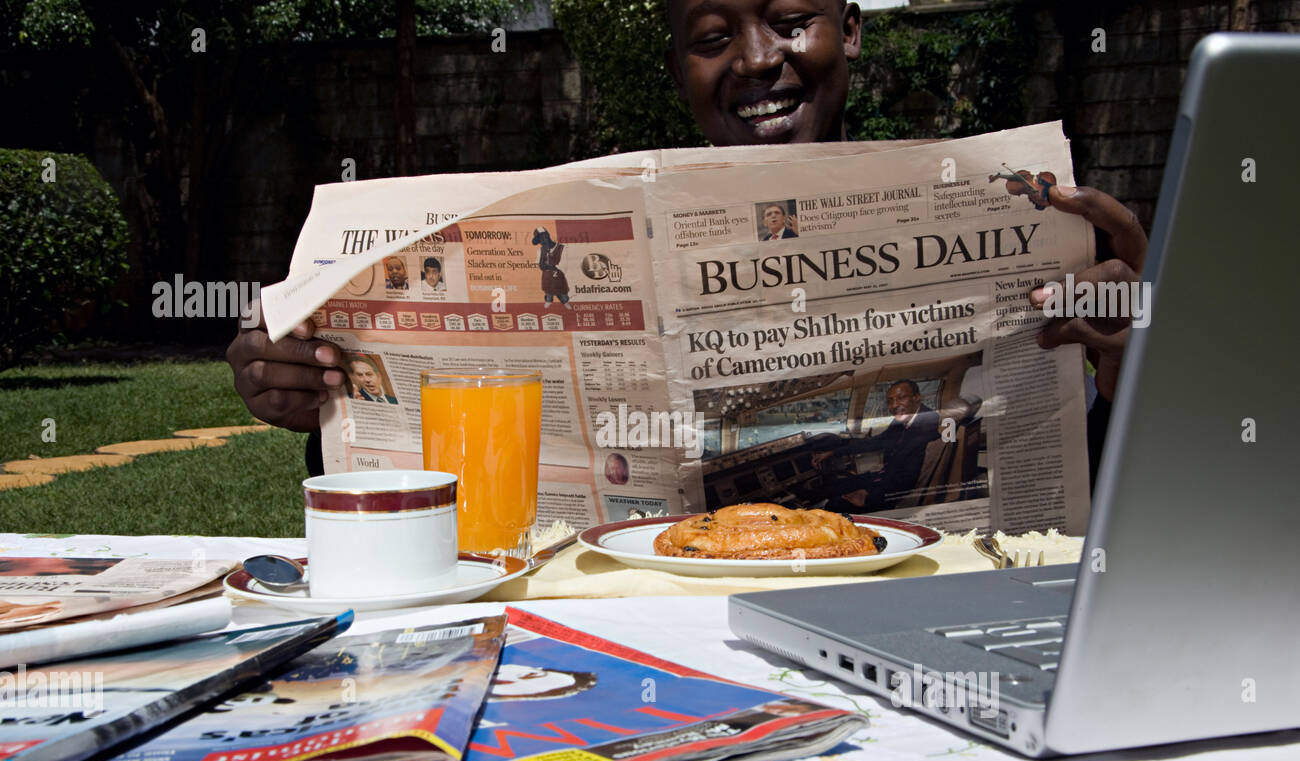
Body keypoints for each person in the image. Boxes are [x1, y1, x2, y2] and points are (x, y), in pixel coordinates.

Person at [227, 0, 1144, 479]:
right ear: (679, 68)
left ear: (850, 31)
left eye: (791, 20)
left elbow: (1103, 499)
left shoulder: (1011, 209)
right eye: (712, 36)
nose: (755, 58)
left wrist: (1132, 366)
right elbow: (424, 474)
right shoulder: (557, 212)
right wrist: (319, 398)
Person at [813, 379, 940, 511]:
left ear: (917, 397)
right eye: (890, 401)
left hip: (891, 491)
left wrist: (869, 498)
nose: (894, 405)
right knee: (832, 487)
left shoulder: (927, 425)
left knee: (835, 505)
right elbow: (876, 442)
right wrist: (833, 453)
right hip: (884, 477)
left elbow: (907, 479)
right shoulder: (904, 420)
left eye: (901, 398)